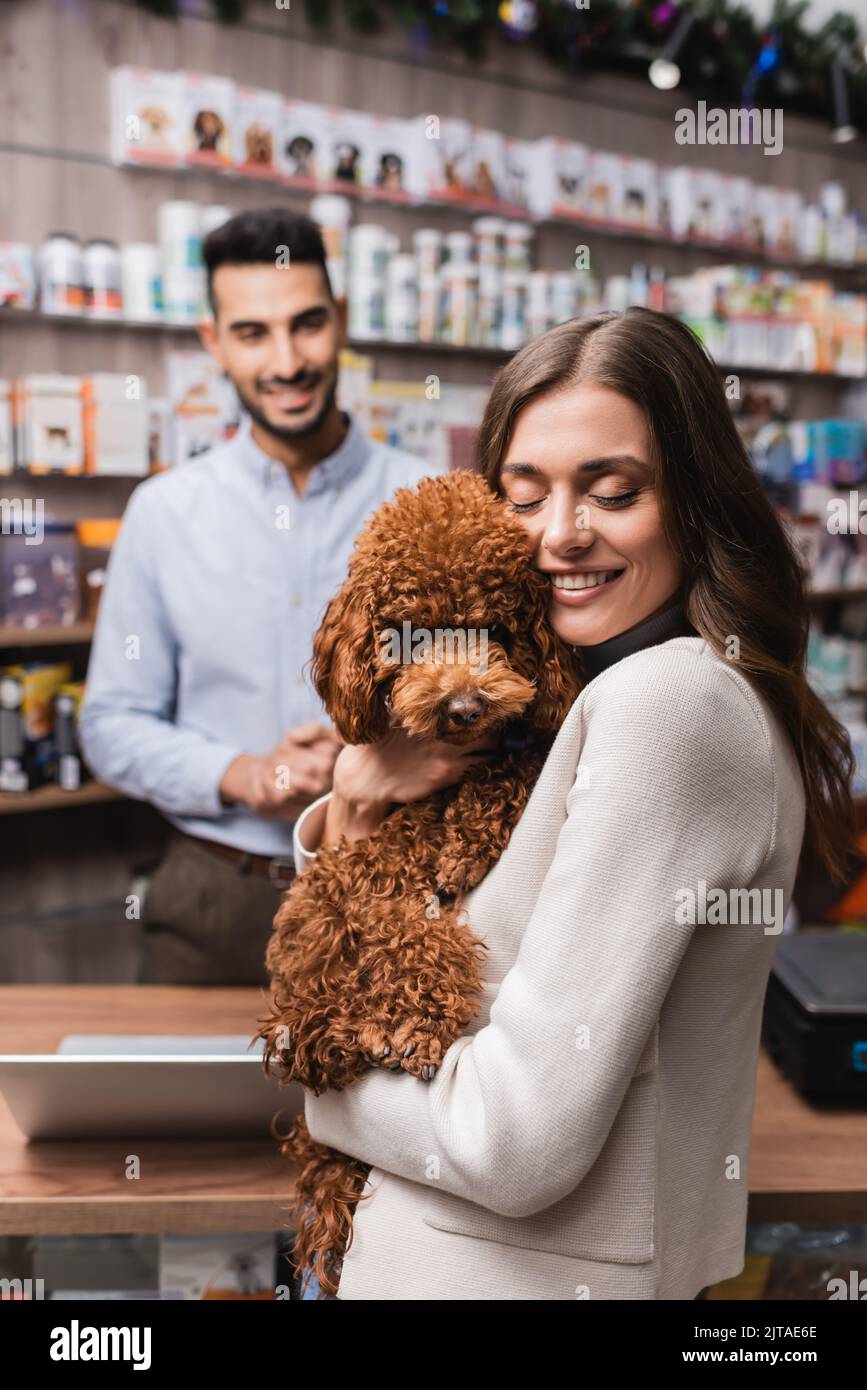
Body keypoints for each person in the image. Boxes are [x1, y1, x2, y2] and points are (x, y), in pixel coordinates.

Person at [288, 308, 856, 1300]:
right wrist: (360, 802)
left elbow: (514, 1141)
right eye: (524, 494)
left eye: (614, 491)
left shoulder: (666, 706)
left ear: (693, 501)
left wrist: (318, 1081)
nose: (559, 535)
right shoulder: (582, 698)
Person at [79, 208, 431, 987]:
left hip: (392, 884)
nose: (287, 362)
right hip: (214, 897)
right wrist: (243, 774)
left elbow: (484, 699)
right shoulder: (163, 513)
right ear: (214, 342)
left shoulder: (427, 501)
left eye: (306, 324)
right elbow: (109, 723)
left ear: (340, 320)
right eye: (252, 333)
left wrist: (376, 754)